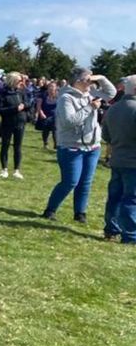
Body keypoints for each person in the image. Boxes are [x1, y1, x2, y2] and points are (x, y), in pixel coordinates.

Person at [41, 67, 116, 223]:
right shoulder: (66, 98)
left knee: (85, 182)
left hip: (92, 146)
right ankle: (50, 209)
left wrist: (101, 78)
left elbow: (111, 93)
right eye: (88, 79)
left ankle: (80, 213)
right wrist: (90, 108)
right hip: (71, 146)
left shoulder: (91, 94)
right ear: (77, 81)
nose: (91, 82)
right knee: (70, 181)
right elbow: (69, 121)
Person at [102, 75, 136, 242]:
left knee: (115, 196)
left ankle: (111, 229)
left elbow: (106, 135)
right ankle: (130, 235)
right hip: (133, 161)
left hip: (117, 158)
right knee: (131, 198)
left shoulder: (113, 108)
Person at [0, 72, 30, 179]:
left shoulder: (21, 92)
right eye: (19, 81)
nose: (21, 83)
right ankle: (4, 169)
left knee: (18, 146)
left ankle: (17, 170)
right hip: (8, 123)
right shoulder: (3, 93)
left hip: (20, 122)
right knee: (5, 145)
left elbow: (28, 103)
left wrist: (24, 106)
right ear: (12, 81)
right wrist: (14, 109)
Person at [35, 81, 58, 149]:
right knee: (45, 131)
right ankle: (45, 143)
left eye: (53, 86)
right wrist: (41, 113)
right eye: (50, 86)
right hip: (45, 115)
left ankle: (56, 145)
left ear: (56, 88)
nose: (51, 88)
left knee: (55, 130)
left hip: (55, 116)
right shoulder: (42, 95)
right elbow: (38, 106)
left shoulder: (59, 96)